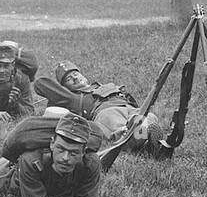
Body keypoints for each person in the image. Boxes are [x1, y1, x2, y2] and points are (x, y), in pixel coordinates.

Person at [34, 61, 171, 158]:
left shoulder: (99, 86)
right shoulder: (71, 97)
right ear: (65, 87)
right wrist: (63, 92)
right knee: (122, 130)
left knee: (149, 117)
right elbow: (40, 83)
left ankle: (145, 143)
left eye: (76, 74)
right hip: (105, 113)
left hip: (129, 108)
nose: (75, 78)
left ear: (83, 75)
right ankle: (140, 142)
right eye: (69, 79)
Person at [10, 113, 114, 197]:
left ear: (83, 152)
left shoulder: (90, 163)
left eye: (73, 153)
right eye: (60, 149)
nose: (65, 158)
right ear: (52, 144)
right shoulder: (32, 161)